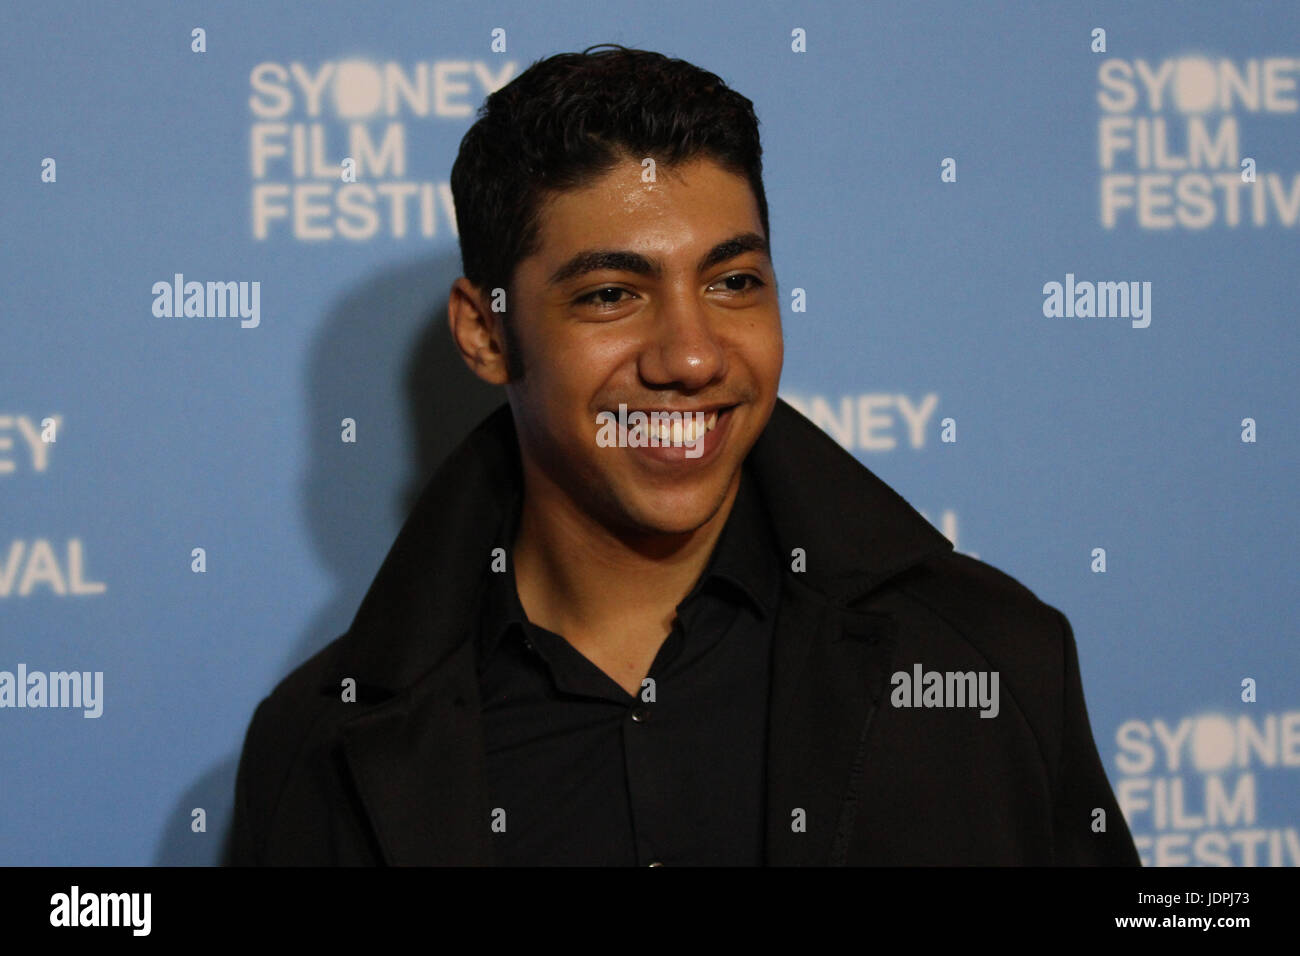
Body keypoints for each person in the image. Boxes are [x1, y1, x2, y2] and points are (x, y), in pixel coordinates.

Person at [228, 44, 1140, 866]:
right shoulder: (318, 751)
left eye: (733, 282)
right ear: (486, 333)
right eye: (611, 294)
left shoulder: (990, 662)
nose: (693, 357)